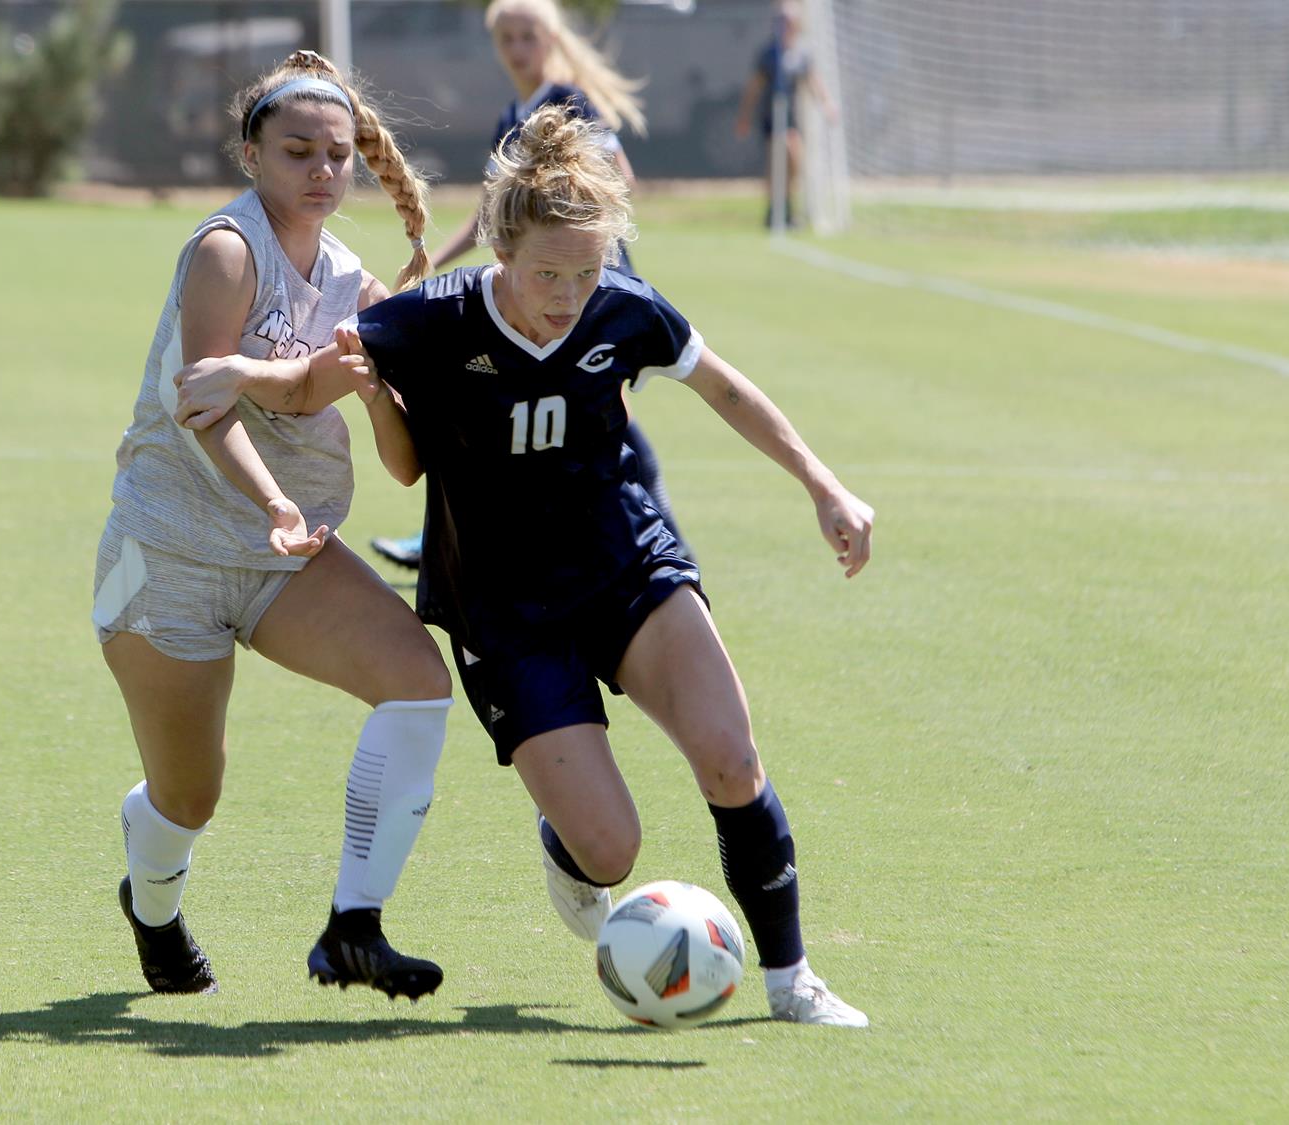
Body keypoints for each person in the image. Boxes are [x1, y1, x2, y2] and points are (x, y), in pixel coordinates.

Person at [179, 106, 875, 1026]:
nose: (568, 293)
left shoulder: (624, 307)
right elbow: (321, 381)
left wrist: (825, 486)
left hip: (625, 565)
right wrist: (240, 372)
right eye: (548, 272)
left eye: (585, 273)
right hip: (504, 611)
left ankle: (792, 979)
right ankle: (571, 846)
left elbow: (726, 389)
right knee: (610, 850)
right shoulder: (430, 320)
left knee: (730, 760)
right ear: (501, 249)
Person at [93, 50, 454, 1001]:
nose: (322, 171)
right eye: (298, 151)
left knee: (418, 681)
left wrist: (395, 382)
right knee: (188, 795)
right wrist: (277, 503)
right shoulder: (226, 249)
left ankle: (356, 927)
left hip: (285, 560)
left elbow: (390, 430)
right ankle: (155, 908)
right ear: (251, 155)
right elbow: (207, 406)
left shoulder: (353, 285)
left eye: (337, 155)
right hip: (165, 554)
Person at [367, 0, 690, 573]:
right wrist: (434, 258)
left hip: (588, 287)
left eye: (528, 37)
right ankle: (462, 536)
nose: (518, 49)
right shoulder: (510, 115)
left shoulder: (569, 102)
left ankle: (659, 537)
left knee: (603, 414)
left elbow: (620, 178)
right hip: (541, 285)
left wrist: (574, 240)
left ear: (550, 40)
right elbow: (497, 218)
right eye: (508, 38)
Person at [734, 0, 838, 230]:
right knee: (777, 160)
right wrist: (744, 117)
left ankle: (788, 209)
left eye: (789, 22)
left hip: (792, 115)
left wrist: (827, 104)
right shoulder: (769, 54)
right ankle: (774, 211)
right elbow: (754, 88)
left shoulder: (801, 54)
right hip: (771, 116)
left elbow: (813, 81)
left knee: (794, 161)